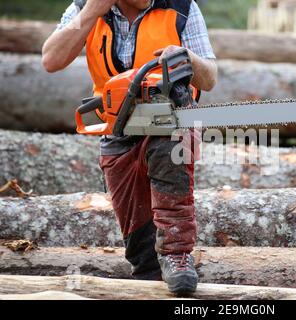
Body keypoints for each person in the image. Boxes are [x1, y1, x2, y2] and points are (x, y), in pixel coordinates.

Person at [42, 0, 217, 294]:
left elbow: (210, 78)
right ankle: (149, 278)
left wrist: (186, 58)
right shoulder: (87, 7)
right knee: (140, 245)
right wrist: (90, 13)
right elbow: (50, 59)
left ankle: (177, 254)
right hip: (117, 130)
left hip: (172, 121)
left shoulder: (182, 7)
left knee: (169, 142)